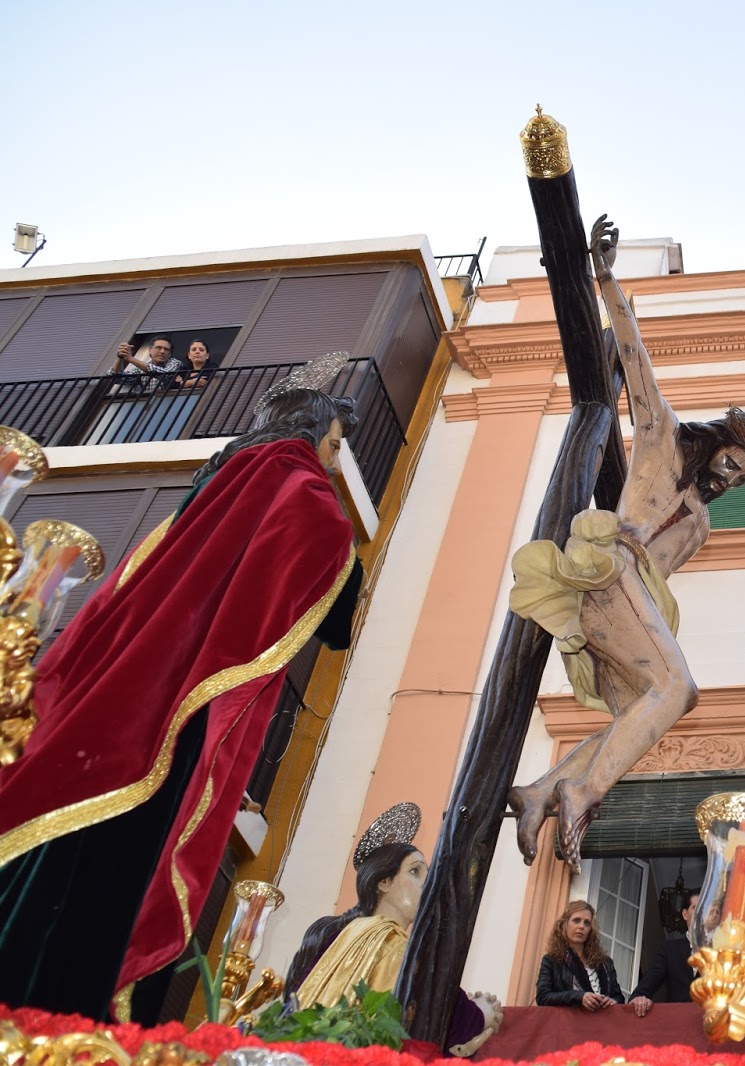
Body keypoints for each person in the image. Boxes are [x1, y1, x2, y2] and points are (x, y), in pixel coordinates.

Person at [0, 354, 365, 1023]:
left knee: (60, 837)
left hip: (125, 687)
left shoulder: (219, 480)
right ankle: (61, 1016)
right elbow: (330, 583)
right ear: (310, 435)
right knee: (120, 861)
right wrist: (352, 565)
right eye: (336, 446)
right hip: (177, 713)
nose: (336, 464)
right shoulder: (292, 478)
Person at [508, 216, 745, 869]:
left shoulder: (701, 521)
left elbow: (658, 581)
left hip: (628, 604)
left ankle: (539, 791)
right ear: (720, 441)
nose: (728, 478)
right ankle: (580, 788)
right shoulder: (663, 442)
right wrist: (606, 280)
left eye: (743, 479)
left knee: (642, 716)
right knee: (681, 691)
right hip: (605, 568)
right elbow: (637, 365)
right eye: (731, 464)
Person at [285, 806, 502, 1057]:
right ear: (383, 882)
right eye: (415, 871)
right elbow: (423, 1001)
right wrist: (479, 1015)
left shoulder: (355, 932)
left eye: (427, 874)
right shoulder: (385, 938)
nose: (427, 883)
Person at [535, 900, 625, 1011]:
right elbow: (543, 997)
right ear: (564, 924)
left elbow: (619, 997)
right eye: (576, 920)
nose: (581, 926)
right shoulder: (552, 960)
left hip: (602, 1025)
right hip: (568, 1026)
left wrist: (613, 1001)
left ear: (590, 930)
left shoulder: (605, 963)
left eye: (587, 923)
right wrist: (579, 996)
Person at [626, 892, 698, 1016]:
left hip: (714, 1027)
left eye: (706, 908)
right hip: (677, 1024)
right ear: (685, 914)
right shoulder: (669, 949)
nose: (701, 912)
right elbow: (644, 988)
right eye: (696, 908)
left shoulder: (723, 951)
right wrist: (639, 998)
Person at [101, 337, 183, 443]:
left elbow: (163, 374)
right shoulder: (141, 368)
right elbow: (117, 378)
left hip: (172, 411)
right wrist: (120, 357)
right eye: (158, 348)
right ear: (150, 350)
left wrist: (130, 358)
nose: (162, 351)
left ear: (170, 353)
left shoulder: (175, 363)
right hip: (148, 412)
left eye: (166, 349)